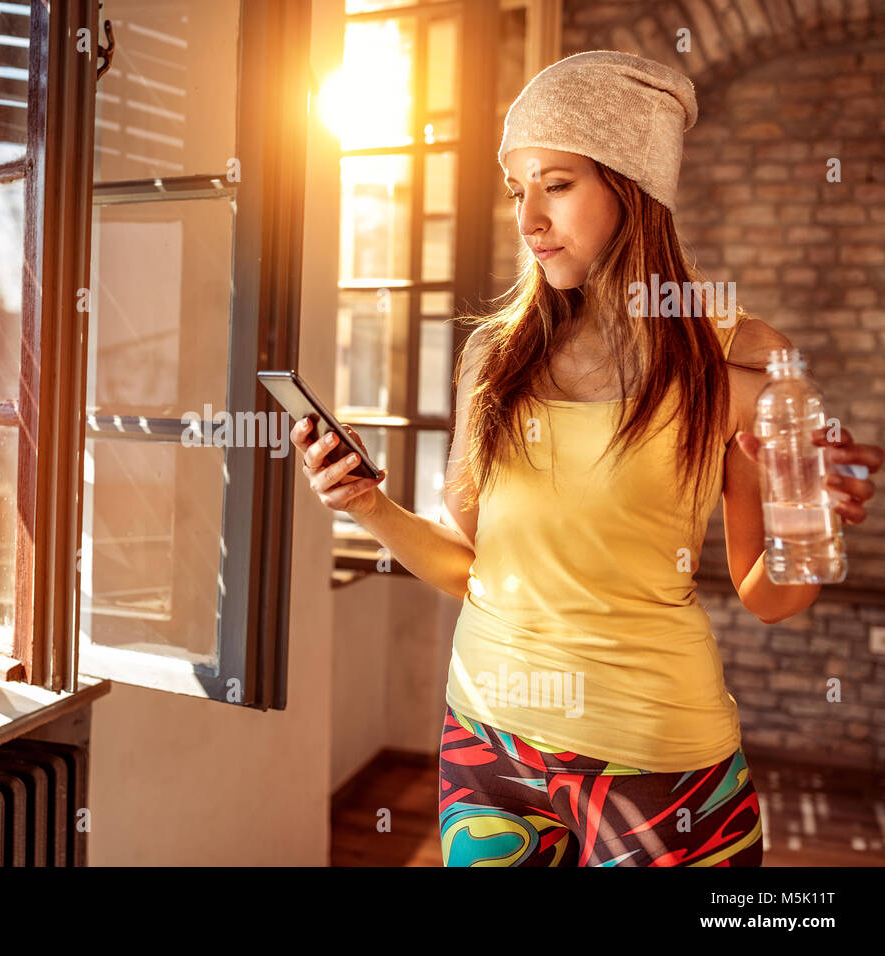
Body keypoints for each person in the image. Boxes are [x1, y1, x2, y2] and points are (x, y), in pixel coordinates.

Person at [290, 50, 882, 867]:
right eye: (516, 190)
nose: (529, 218)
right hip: (485, 749)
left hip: (656, 766)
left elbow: (772, 596)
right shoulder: (493, 359)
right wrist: (364, 506)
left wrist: (814, 512)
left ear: (632, 189)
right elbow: (469, 567)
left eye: (556, 184)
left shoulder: (740, 367)